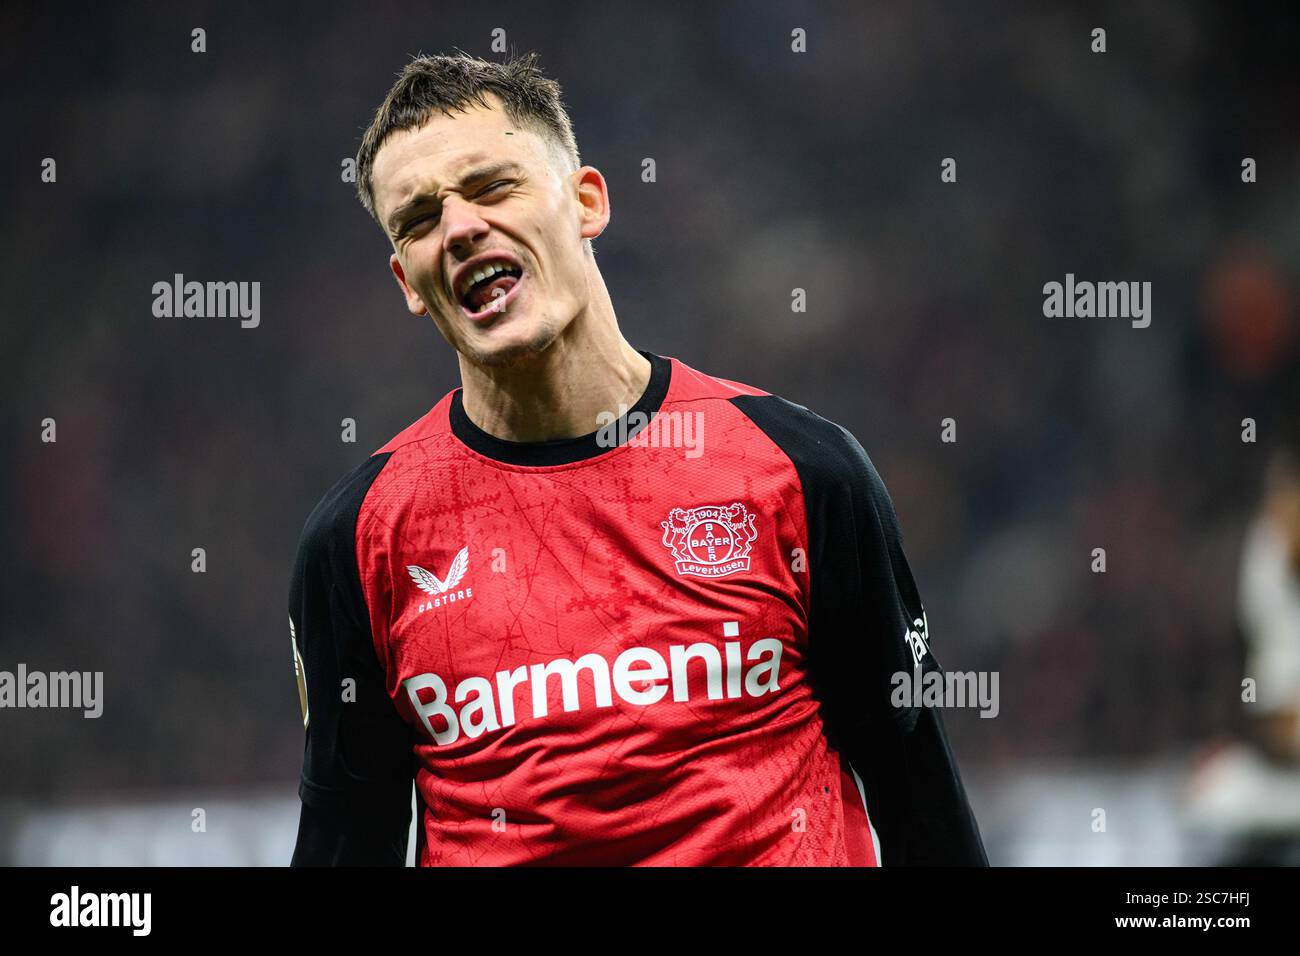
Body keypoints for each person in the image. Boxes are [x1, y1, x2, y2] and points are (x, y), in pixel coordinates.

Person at [288, 51, 986, 866]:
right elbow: (346, 844)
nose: (461, 226)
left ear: (586, 203)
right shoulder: (360, 540)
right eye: (419, 218)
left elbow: (921, 802)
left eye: (492, 187)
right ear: (407, 278)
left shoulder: (801, 471)